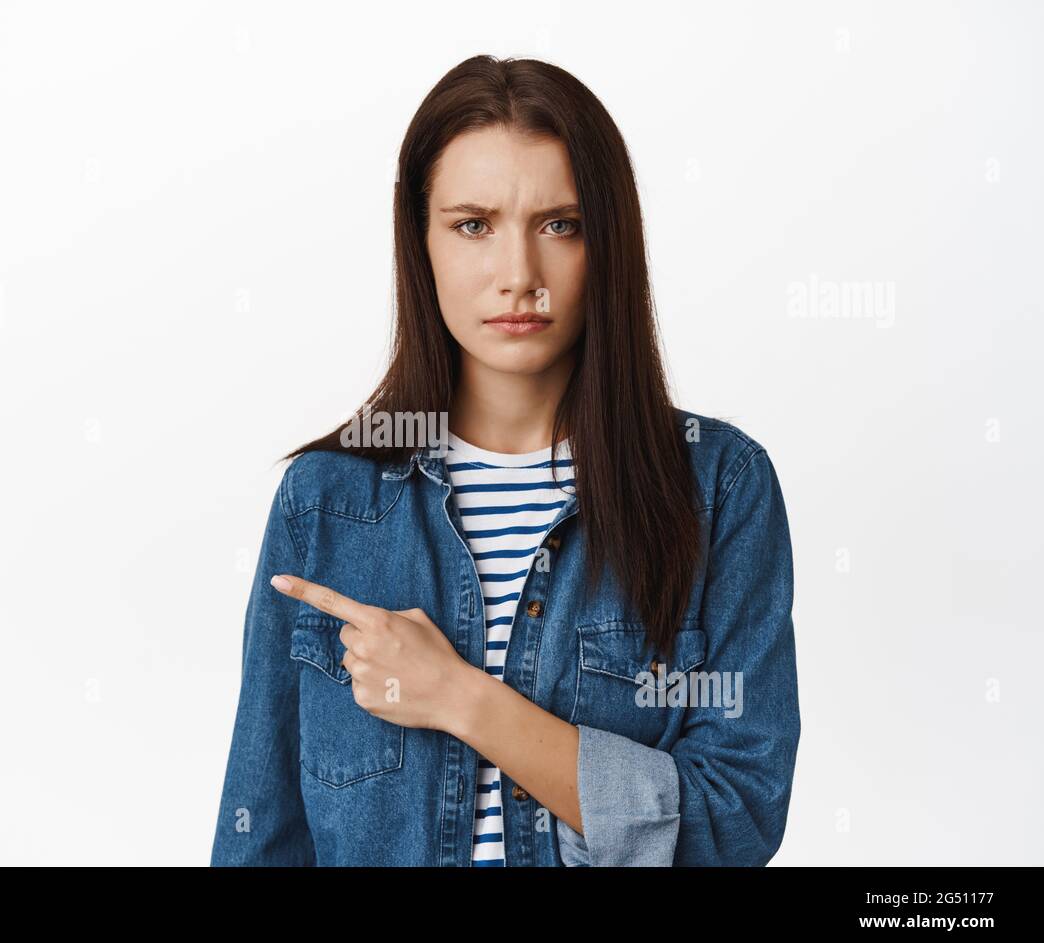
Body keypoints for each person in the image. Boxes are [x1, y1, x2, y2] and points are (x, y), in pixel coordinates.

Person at [210, 54, 800, 866]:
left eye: (560, 225)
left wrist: (463, 699)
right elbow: (261, 833)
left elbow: (735, 819)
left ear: (609, 242)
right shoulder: (325, 503)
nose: (519, 276)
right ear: (420, 242)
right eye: (473, 225)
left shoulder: (717, 486)